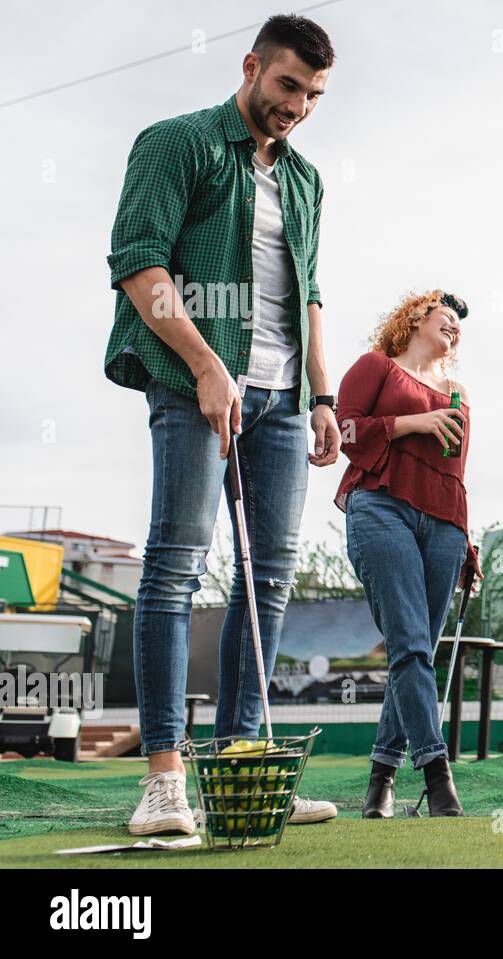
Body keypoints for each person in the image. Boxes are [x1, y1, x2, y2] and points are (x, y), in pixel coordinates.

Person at [105, 14, 340, 836]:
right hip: (190, 384)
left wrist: (322, 396)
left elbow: (308, 293)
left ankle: (239, 762)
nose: (297, 106)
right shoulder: (178, 143)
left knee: (268, 577)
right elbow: (139, 262)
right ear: (250, 67)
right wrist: (208, 365)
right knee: (176, 564)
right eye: (286, 87)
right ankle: (165, 776)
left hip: (280, 401)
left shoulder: (306, 180)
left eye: (313, 95)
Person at [335, 290, 482, 818]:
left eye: (460, 326)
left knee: (416, 651)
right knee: (411, 646)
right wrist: (413, 423)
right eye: (447, 317)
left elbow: (457, 473)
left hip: (444, 522)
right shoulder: (376, 366)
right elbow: (345, 430)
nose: (455, 327)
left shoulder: (458, 393)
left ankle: (381, 780)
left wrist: (465, 537)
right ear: (417, 318)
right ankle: (439, 776)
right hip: (381, 508)